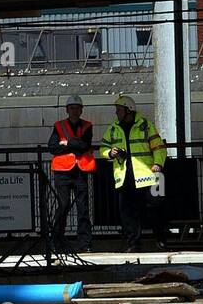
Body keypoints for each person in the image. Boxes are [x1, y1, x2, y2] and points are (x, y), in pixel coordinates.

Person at [99, 94, 167, 251]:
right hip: (125, 176)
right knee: (128, 212)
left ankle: (160, 239)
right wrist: (110, 153)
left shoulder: (146, 125)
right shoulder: (113, 128)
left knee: (154, 207)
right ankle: (133, 244)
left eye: (119, 109)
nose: (116, 112)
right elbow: (103, 148)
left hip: (147, 175)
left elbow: (159, 147)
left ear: (128, 110)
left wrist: (158, 163)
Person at [47, 94, 95, 251]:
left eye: (77, 108)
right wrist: (74, 144)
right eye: (72, 108)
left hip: (80, 170)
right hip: (63, 172)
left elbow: (85, 145)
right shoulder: (58, 126)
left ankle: (85, 244)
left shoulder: (87, 126)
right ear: (67, 110)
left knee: (83, 208)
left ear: (81, 110)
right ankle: (57, 241)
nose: (74, 111)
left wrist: (67, 142)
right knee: (63, 205)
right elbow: (53, 147)